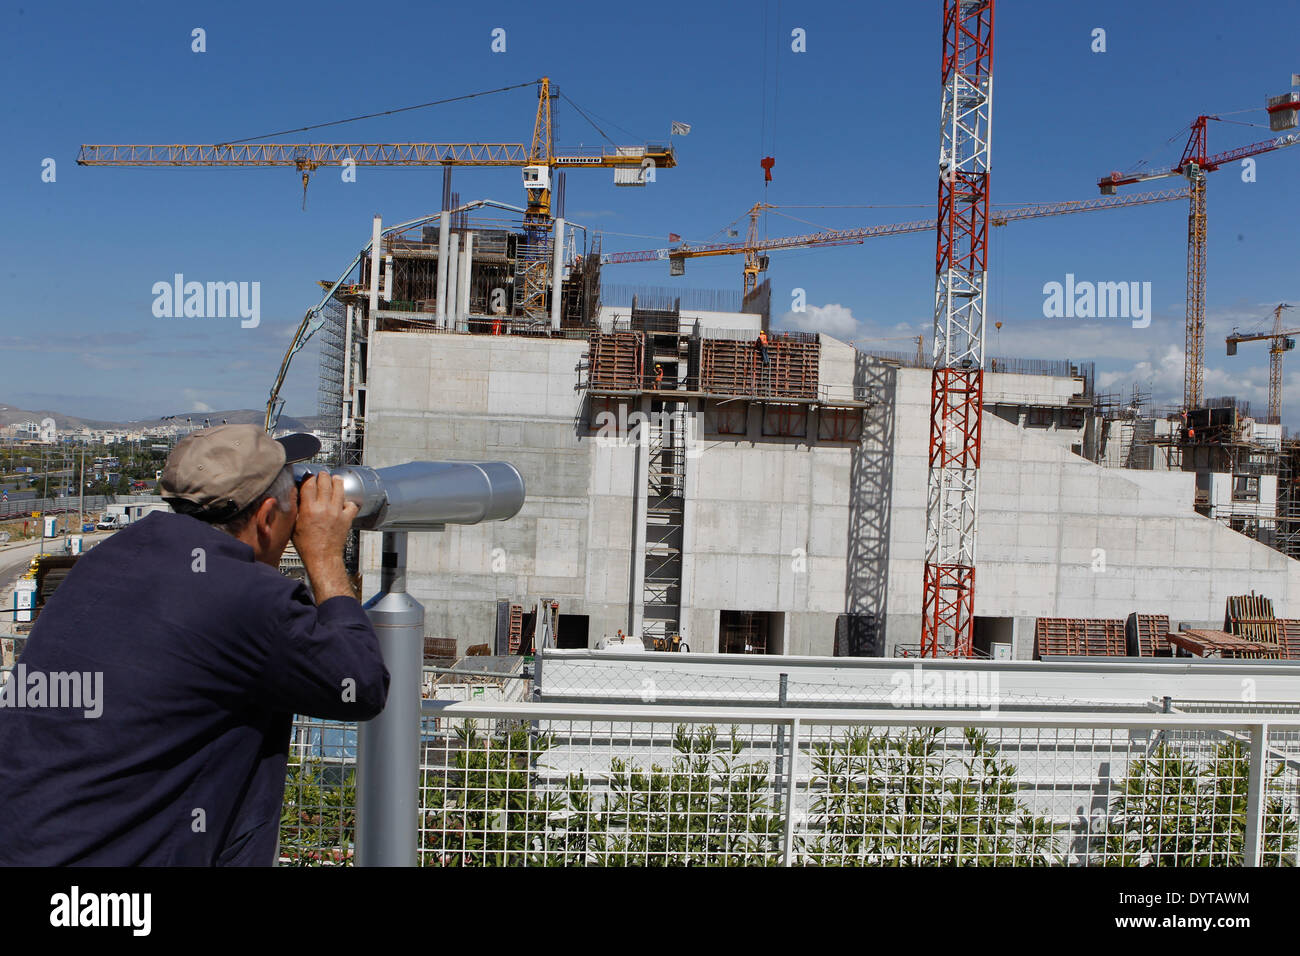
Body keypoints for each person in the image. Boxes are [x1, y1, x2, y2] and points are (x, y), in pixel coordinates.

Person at [0, 424, 390, 866]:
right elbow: (360, 684)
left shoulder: (106, 561)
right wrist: (323, 555)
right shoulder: (246, 597)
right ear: (265, 518)